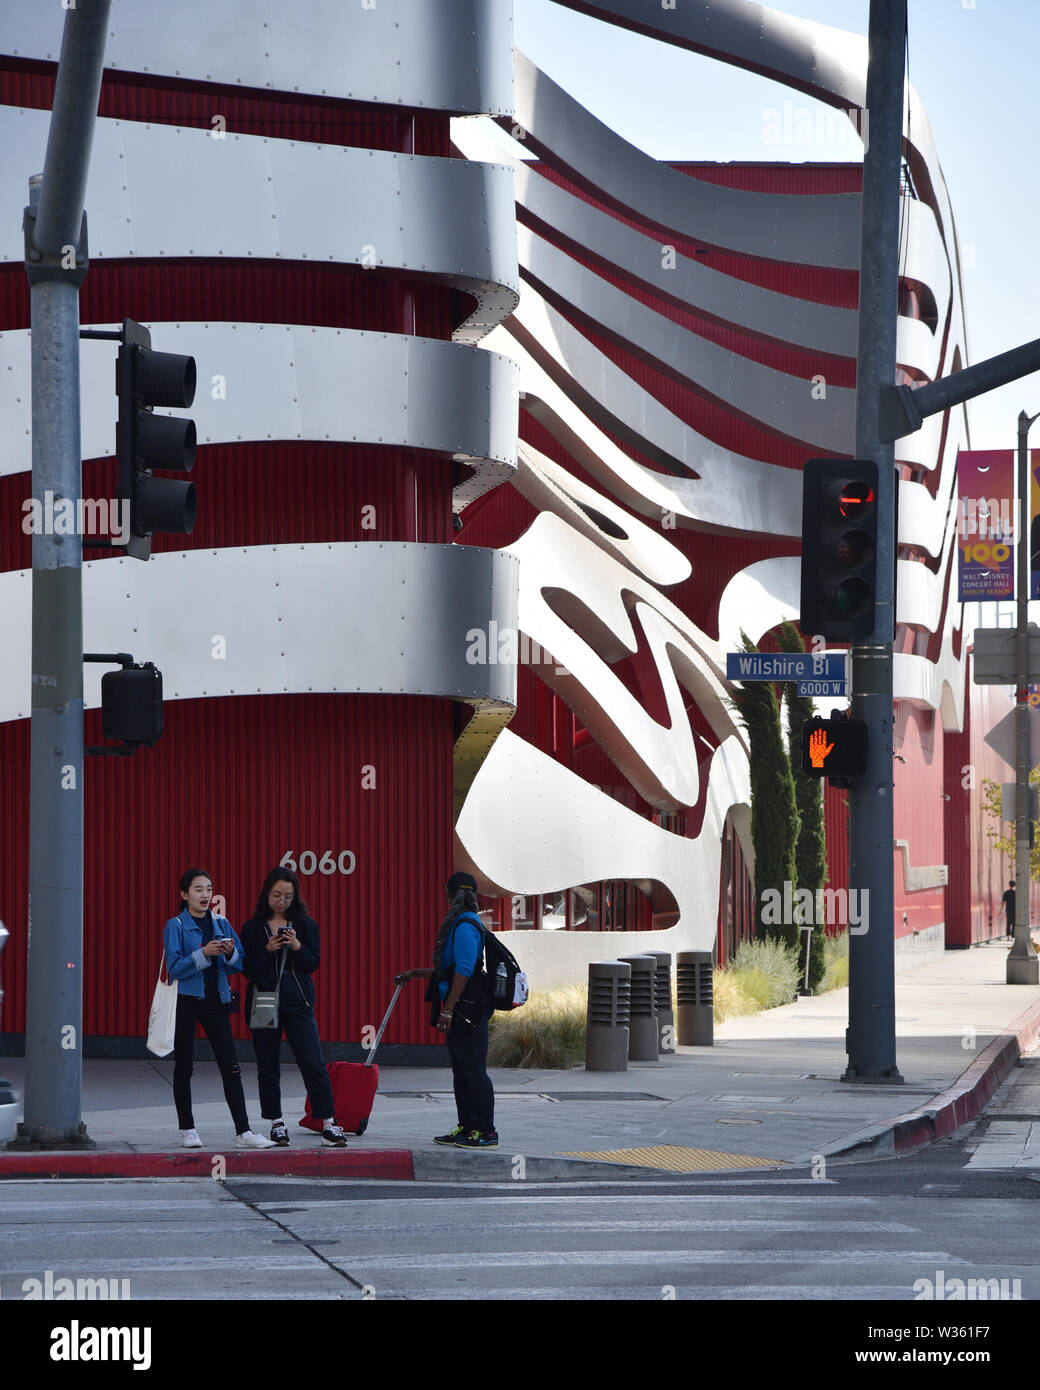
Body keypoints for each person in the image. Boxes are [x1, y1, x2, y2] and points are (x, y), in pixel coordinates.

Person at [163, 869, 274, 1149]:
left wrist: (227, 952)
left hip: (217, 1000)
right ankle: (188, 1129)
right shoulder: (175, 925)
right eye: (198, 889)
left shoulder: (221, 923)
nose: (205, 895)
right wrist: (203, 954)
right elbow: (174, 969)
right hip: (186, 1000)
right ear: (184, 894)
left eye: (209, 889)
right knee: (184, 1067)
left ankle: (244, 1132)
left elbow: (240, 963)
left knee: (231, 1066)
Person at [240, 868, 349, 1147]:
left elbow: (313, 963)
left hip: (298, 1002)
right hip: (264, 1002)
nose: (281, 901)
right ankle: (276, 1123)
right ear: (267, 893)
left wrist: (297, 945)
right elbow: (247, 968)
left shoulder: (307, 925)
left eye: (288, 896)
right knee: (268, 1064)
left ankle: (328, 1122)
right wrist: (268, 949)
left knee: (312, 1061)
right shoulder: (253, 928)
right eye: (276, 895)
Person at [396, 870, 497, 1149]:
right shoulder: (462, 922)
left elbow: (464, 971)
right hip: (462, 1009)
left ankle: (486, 1131)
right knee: (462, 1070)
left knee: (474, 1070)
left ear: (449, 893)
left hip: (467, 1010)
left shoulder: (465, 924)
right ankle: (467, 1127)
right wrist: (414, 973)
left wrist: (448, 1010)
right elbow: (448, 970)